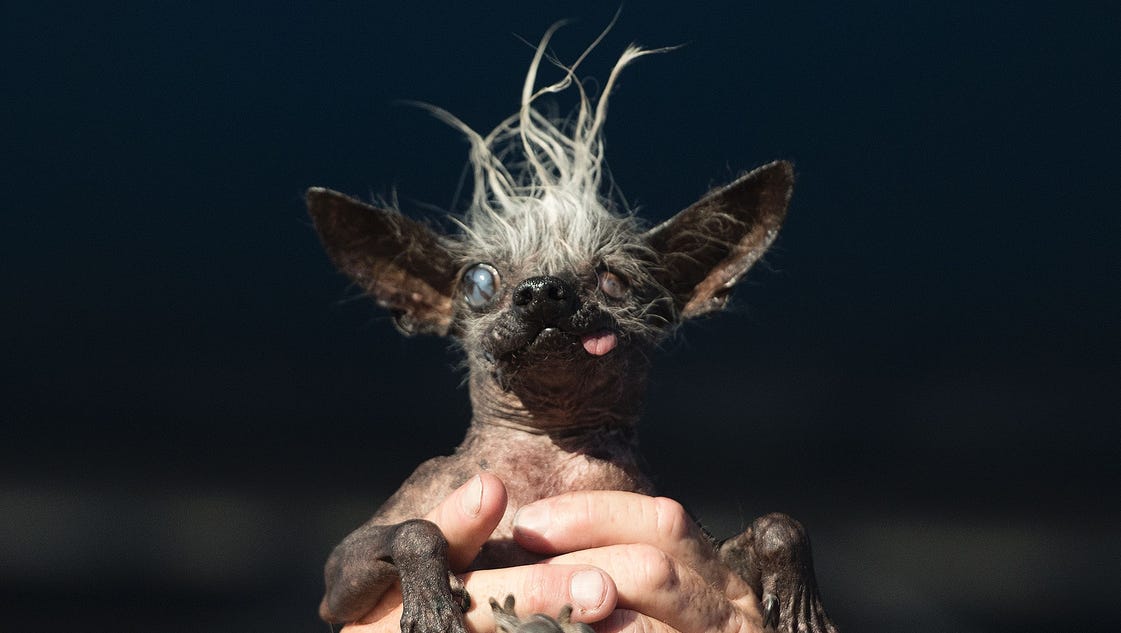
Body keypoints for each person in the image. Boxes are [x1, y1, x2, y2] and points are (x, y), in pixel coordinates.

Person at [340, 473, 768, 633]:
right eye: (485, 298)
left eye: (612, 294)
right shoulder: (445, 482)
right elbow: (337, 600)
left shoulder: (648, 493)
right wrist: (414, 545)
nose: (544, 305)